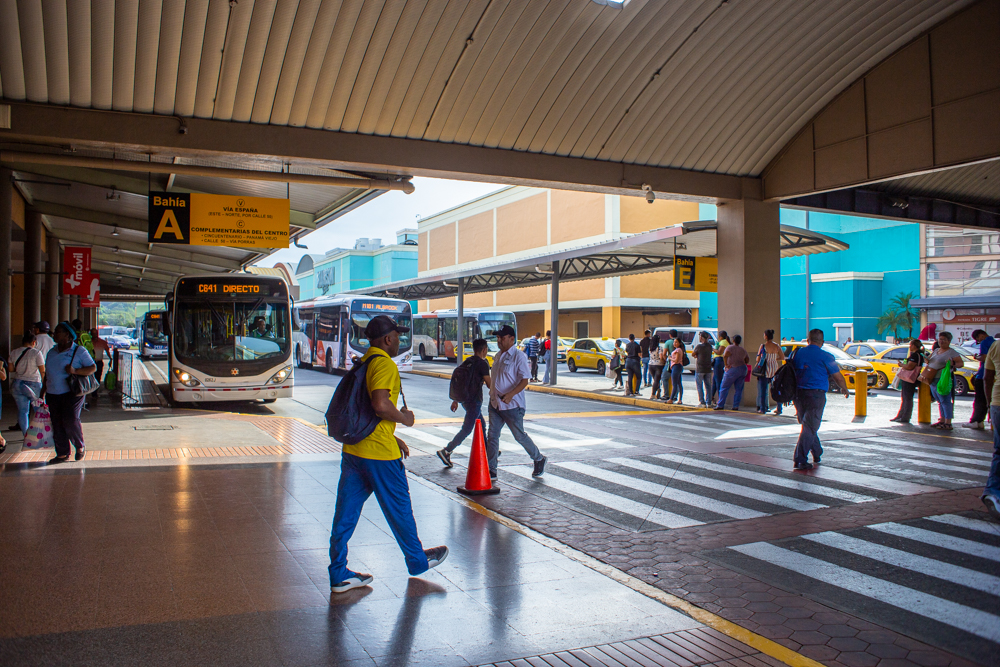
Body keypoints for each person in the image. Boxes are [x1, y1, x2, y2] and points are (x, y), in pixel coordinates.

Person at [328, 315, 448, 594]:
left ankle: (338, 574)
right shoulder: (383, 363)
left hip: (355, 450)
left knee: (345, 513)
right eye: (397, 335)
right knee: (399, 509)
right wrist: (404, 420)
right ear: (387, 339)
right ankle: (417, 561)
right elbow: (380, 405)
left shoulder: (365, 361)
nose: (400, 340)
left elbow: (365, 410)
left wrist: (393, 434)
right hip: (380, 455)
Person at [485, 325, 546, 479]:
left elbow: (525, 380)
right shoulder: (498, 355)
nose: (499, 340)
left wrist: (511, 394)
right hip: (495, 404)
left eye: (502, 338)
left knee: (519, 435)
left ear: (511, 339)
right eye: (498, 338)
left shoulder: (519, 356)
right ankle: (492, 469)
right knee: (492, 435)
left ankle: (538, 458)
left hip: (512, 405)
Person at [790, 329, 850, 470]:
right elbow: (837, 376)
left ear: (808, 339)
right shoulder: (826, 356)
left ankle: (817, 452)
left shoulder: (798, 354)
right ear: (822, 342)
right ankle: (800, 459)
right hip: (816, 395)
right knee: (810, 426)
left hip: (799, 394)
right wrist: (844, 388)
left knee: (808, 426)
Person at [41, 322, 96, 463]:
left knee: (70, 420)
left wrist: (75, 371)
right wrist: (43, 391)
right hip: (53, 393)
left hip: (72, 392)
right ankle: (62, 453)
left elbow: (92, 368)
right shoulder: (51, 352)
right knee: (57, 423)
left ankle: (80, 446)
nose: (54, 334)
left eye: (57, 331)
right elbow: (47, 373)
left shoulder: (79, 351)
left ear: (67, 335)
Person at [437, 338, 492, 467]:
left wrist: (455, 400)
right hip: (475, 401)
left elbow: (461, 381)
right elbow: (490, 384)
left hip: (465, 400)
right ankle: (447, 450)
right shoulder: (482, 363)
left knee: (481, 425)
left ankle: (488, 451)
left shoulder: (468, 362)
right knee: (467, 429)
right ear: (484, 350)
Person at [919, 331, 964, 430]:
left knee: (945, 400)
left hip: (943, 379)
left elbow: (960, 364)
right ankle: (942, 419)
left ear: (949, 341)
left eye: (944, 340)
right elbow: (929, 360)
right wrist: (925, 358)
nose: (941, 342)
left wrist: (952, 364)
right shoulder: (936, 350)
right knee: (939, 400)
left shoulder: (951, 352)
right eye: (940, 339)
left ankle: (948, 422)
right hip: (932, 378)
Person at [8, 333, 46, 435]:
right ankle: (40, 433)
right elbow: (42, 370)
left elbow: (11, 369)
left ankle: (26, 435)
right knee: (39, 409)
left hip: (17, 384)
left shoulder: (14, 352)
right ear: (34, 342)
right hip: (34, 384)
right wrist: (45, 385)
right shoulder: (36, 353)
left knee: (23, 411)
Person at [981, 340, 1000, 520]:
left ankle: (993, 492)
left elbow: (987, 378)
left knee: (999, 451)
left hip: (997, 403)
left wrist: (989, 404)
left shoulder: (995, 346)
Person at [890, 339, 925, 424]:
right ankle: (901, 415)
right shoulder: (919, 355)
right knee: (905, 398)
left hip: (909, 379)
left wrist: (901, 364)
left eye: (911, 345)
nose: (910, 346)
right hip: (910, 378)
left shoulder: (915, 356)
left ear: (914, 345)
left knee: (907, 398)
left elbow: (910, 367)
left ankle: (905, 416)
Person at [965, 329, 994, 429]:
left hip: (983, 375)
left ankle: (976, 420)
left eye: (978, 340)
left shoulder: (985, 342)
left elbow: (985, 357)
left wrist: (977, 357)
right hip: (994, 375)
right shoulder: (995, 342)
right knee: (989, 399)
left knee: (979, 399)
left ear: (980, 336)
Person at [755, 330, 786, 415]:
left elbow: (758, 359)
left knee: (763, 390)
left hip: (765, 370)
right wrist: (774, 359)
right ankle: (779, 408)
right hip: (775, 369)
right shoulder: (777, 346)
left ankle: (762, 409)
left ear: (765, 336)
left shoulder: (763, 346)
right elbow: (782, 357)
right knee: (776, 389)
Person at [715, 335, 749, 410]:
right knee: (739, 389)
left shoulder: (730, 347)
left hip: (732, 369)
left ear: (733, 340)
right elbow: (747, 360)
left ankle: (720, 404)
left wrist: (726, 365)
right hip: (743, 369)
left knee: (724, 387)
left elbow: (725, 355)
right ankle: (735, 405)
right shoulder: (743, 349)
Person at [692, 331, 714, 408]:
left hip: (700, 369)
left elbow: (693, 354)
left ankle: (702, 402)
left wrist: (697, 355)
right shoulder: (710, 346)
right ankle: (709, 402)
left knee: (699, 385)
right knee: (708, 386)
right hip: (708, 368)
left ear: (701, 337)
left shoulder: (699, 346)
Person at [89, 328, 111, 395]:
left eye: (95, 333)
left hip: (99, 362)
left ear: (97, 334)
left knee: (98, 377)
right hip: (90, 363)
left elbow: (107, 351)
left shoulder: (102, 342)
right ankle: (92, 391)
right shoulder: (88, 343)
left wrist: (111, 359)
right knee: (91, 377)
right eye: (92, 334)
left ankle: (95, 392)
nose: (94, 335)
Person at [712, 331, 731, 403]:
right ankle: (712, 397)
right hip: (717, 361)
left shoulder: (723, 342)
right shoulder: (723, 342)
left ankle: (720, 399)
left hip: (719, 361)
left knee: (718, 380)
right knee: (714, 380)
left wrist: (713, 349)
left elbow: (719, 352)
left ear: (720, 336)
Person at [666, 337, 685, 404]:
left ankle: (671, 399)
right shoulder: (679, 350)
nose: (674, 343)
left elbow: (676, 360)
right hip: (678, 367)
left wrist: (670, 358)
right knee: (679, 383)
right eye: (674, 342)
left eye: (676, 342)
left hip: (676, 366)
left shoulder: (677, 350)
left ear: (679, 343)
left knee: (674, 384)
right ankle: (680, 399)